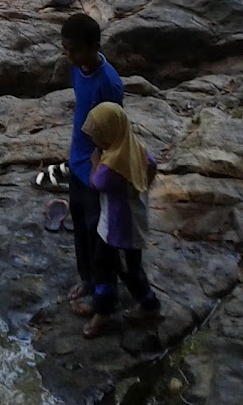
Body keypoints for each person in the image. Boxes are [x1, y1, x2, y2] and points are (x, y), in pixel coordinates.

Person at [61, 12, 124, 319]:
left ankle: (104, 300)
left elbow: (113, 135)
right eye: (66, 49)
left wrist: (101, 170)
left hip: (97, 171)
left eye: (74, 50)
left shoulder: (109, 84)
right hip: (78, 161)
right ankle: (86, 278)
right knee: (80, 225)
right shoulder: (77, 70)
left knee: (99, 235)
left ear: (94, 47)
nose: (68, 56)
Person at [81, 102, 160, 337]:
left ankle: (143, 306)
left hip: (119, 231)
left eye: (98, 135)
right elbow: (153, 166)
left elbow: (96, 184)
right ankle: (107, 306)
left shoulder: (112, 164)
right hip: (125, 221)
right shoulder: (136, 148)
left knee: (125, 270)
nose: (95, 141)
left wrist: (95, 163)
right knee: (112, 265)